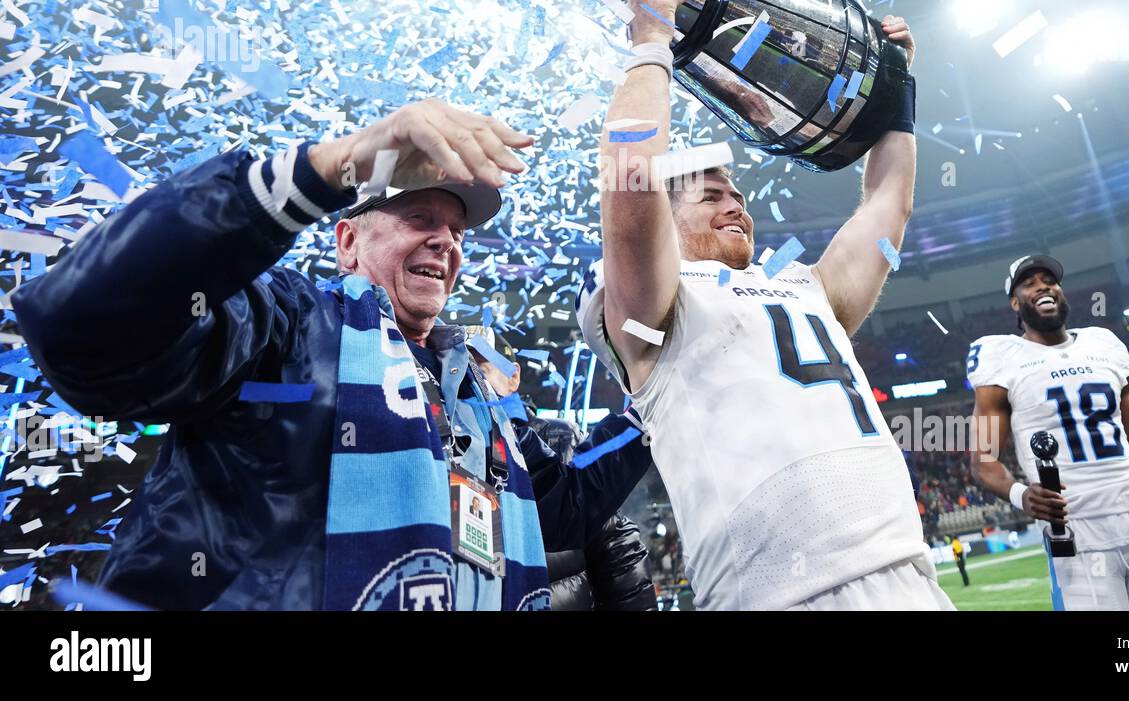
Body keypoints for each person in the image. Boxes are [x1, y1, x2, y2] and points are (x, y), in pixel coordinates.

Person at [12, 95, 651, 610]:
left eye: (454, 231)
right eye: (417, 218)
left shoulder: (479, 390)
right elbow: (85, 328)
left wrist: (659, 395)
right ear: (347, 242)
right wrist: (331, 166)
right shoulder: (290, 324)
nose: (444, 243)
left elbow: (560, 509)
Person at [576, 0, 949, 610]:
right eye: (709, 194)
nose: (736, 204)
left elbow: (887, 206)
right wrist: (652, 46)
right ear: (664, 218)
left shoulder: (809, 290)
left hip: (913, 582)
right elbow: (631, 175)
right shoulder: (649, 318)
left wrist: (899, 90)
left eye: (739, 193)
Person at [968, 254, 1129, 611]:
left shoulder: (1104, 343)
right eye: (1029, 282)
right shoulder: (998, 354)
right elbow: (982, 459)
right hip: (1078, 531)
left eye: (1049, 279)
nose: (1043, 286)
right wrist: (1021, 494)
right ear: (1015, 303)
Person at [465, 327, 658, 611]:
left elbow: (615, 546)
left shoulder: (557, 440)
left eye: (482, 368)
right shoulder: (450, 444)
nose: (471, 380)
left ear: (513, 377)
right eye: (463, 368)